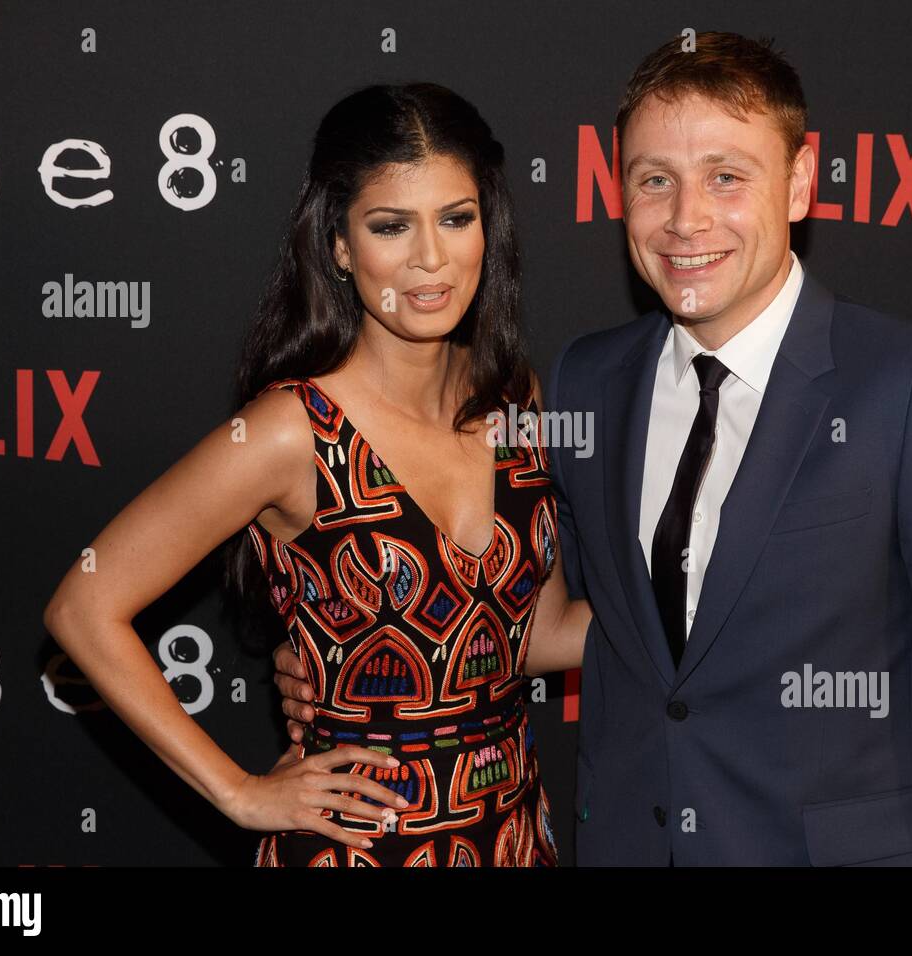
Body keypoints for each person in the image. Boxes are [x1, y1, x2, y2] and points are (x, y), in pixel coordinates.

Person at [274, 33, 912, 866]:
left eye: (727, 176)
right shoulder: (586, 382)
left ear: (798, 185)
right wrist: (339, 651)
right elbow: (538, 611)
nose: (686, 219)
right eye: (656, 181)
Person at [43, 83, 591, 868]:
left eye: (456, 218)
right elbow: (83, 606)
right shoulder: (288, 432)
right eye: (390, 226)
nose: (431, 259)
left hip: (510, 836)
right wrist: (239, 793)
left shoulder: (518, 400)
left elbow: (534, 635)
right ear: (339, 244)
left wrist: (720, 620)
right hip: (359, 849)